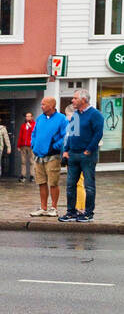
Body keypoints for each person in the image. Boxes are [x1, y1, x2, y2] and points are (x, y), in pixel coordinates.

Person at [61, 88, 104, 223]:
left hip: (87, 155)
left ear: (83, 100)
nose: (72, 100)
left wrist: (88, 150)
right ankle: (71, 212)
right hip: (73, 154)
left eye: (75, 98)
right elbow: (71, 133)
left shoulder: (95, 114)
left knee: (89, 185)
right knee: (70, 185)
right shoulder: (76, 114)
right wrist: (66, 149)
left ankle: (88, 213)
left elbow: (98, 134)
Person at [29, 96, 67, 217]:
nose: (41, 106)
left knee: (53, 183)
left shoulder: (61, 119)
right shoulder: (40, 118)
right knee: (41, 182)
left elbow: (65, 136)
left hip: (53, 156)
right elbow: (34, 133)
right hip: (38, 155)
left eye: (44, 104)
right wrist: (33, 144)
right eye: (41, 104)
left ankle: (54, 208)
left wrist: (55, 146)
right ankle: (43, 207)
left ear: (51, 106)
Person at [17, 111, 35, 182]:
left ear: (31, 117)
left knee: (31, 161)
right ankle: (23, 175)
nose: (27, 117)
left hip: (30, 145)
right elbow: (20, 136)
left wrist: (30, 127)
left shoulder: (34, 124)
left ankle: (32, 175)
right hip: (23, 146)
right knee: (23, 161)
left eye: (29, 116)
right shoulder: (23, 125)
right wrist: (18, 145)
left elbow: (34, 133)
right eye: (26, 116)